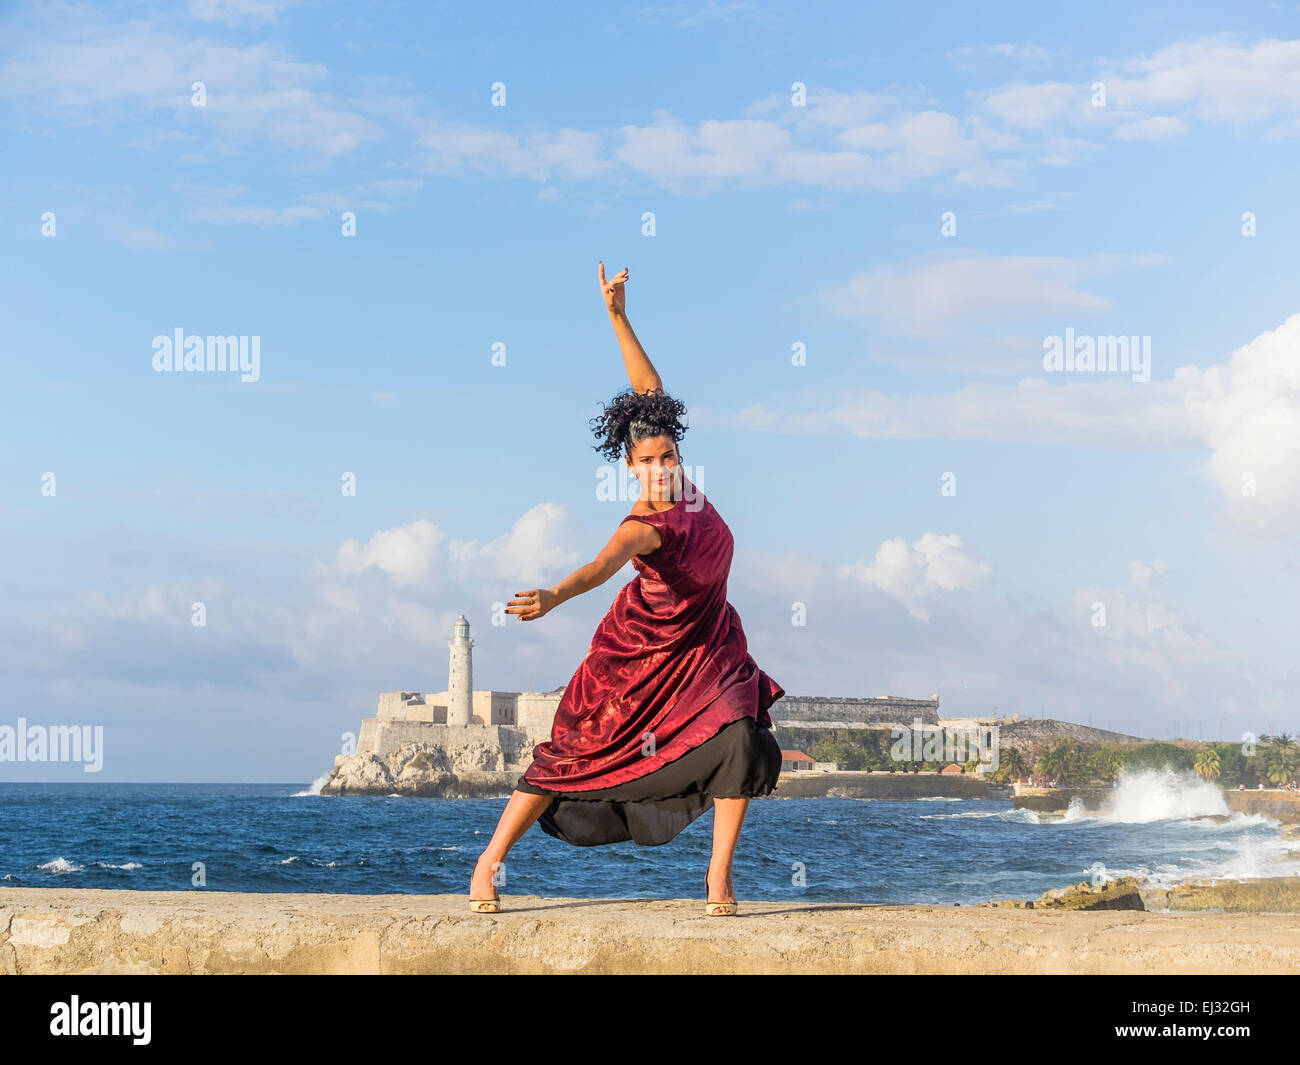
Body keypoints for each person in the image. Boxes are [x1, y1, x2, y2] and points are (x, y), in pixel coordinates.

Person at [468, 262, 785, 917]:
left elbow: (649, 390)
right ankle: (489, 860)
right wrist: (554, 595)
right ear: (629, 468)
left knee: (745, 738)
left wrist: (616, 314)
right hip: (635, 660)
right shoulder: (643, 525)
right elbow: (598, 567)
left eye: (670, 455)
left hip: (707, 648)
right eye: (649, 461)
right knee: (565, 762)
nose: (664, 468)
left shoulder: (681, 480)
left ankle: (718, 877)